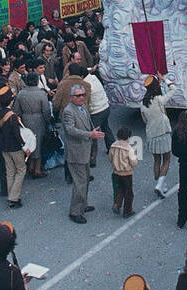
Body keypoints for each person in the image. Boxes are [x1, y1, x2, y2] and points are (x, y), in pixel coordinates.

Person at [62, 83, 103, 224]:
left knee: (85, 180)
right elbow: (70, 130)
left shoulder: (82, 107)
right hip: (76, 152)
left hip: (84, 150)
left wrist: (92, 131)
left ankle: (82, 205)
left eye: (83, 95)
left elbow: (87, 124)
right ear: (72, 97)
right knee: (80, 183)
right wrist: (89, 134)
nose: (81, 98)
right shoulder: (68, 111)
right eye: (78, 95)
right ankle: (75, 211)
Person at [14, 72, 52, 180]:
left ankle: (30, 166)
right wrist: (48, 121)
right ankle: (37, 169)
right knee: (38, 143)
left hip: (25, 119)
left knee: (29, 142)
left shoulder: (21, 93)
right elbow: (46, 110)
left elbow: (16, 110)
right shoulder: (41, 94)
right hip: (38, 119)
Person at [0, 87, 28, 210]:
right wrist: (24, 146)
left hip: (4, 146)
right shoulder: (13, 116)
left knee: (10, 172)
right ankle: (13, 197)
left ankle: (11, 196)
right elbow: (17, 134)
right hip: (15, 147)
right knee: (21, 170)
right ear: (10, 101)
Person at [109, 125, 137, 217]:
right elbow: (133, 162)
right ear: (128, 137)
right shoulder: (129, 149)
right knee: (128, 193)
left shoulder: (113, 145)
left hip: (116, 172)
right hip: (126, 173)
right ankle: (127, 211)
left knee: (119, 189)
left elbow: (110, 157)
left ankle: (117, 204)